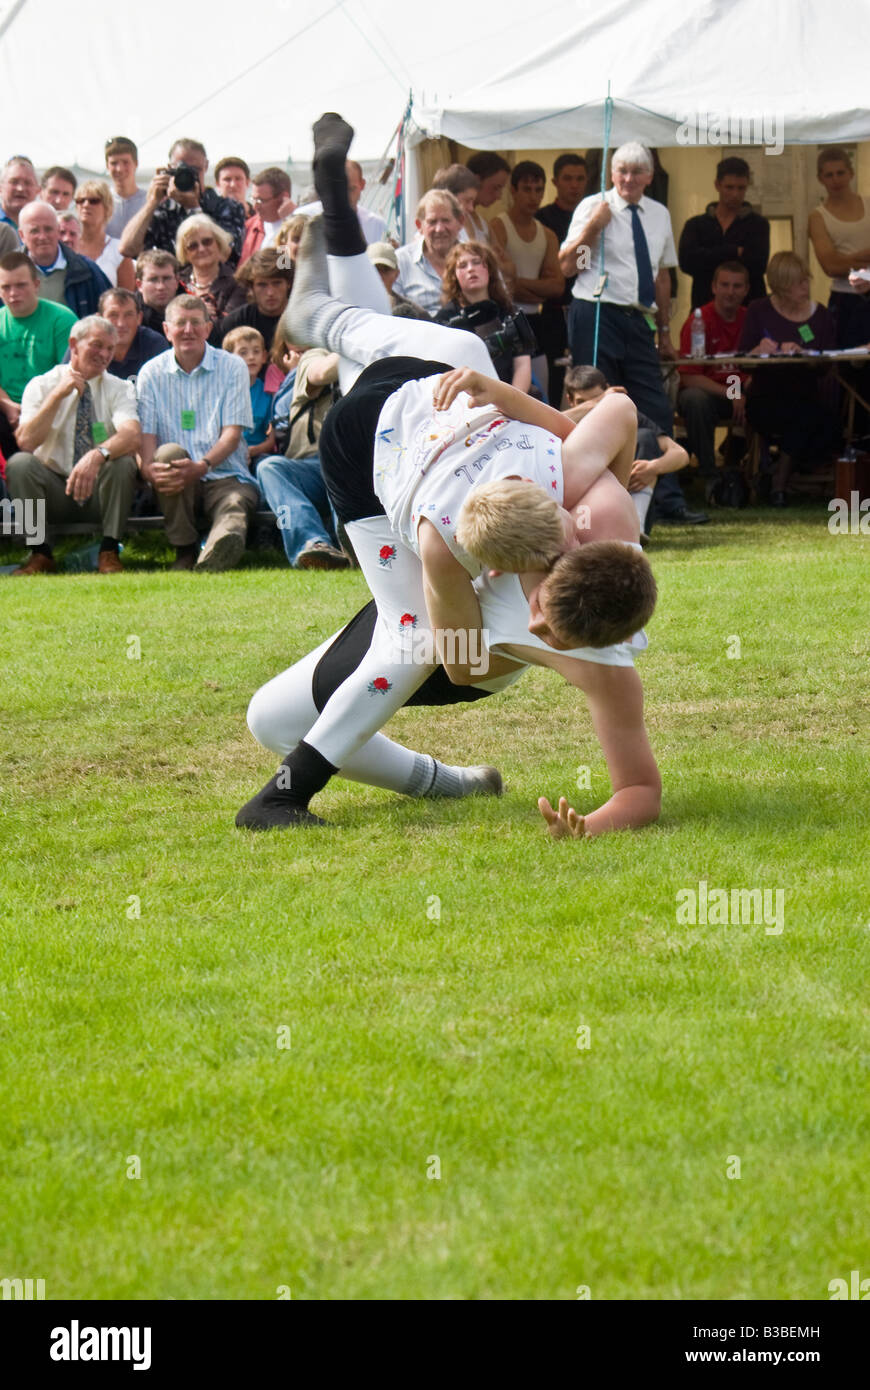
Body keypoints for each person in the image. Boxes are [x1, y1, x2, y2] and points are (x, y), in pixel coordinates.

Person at [236, 115, 659, 835]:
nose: (533, 618)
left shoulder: (601, 651)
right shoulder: (586, 501)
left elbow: (460, 667)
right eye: (541, 599)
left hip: (405, 454)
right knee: (283, 711)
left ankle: (322, 791)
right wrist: (516, 402)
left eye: (543, 629)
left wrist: (588, 826)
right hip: (418, 421)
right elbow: (617, 411)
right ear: (568, 548)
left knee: (331, 684)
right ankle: (427, 783)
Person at [558, 140, 707, 526]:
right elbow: (566, 267)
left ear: (649, 177)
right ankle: (594, 498)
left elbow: (661, 274)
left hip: (638, 318)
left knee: (654, 405)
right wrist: (593, 227)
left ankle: (666, 497)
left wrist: (664, 330)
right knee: (596, 402)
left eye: (636, 172)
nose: (628, 178)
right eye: (621, 170)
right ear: (611, 173)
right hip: (596, 311)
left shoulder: (658, 213)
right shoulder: (594, 206)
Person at [6, 314, 141, 574]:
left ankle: (110, 551)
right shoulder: (42, 385)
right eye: (97, 345)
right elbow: (25, 442)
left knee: (122, 462)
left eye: (110, 349)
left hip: (99, 492)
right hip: (54, 491)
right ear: (73, 344)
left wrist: (96, 456)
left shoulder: (120, 388)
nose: (104, 354)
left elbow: (132, 434)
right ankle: (40, 553)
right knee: (19, 464)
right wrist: (58, 394)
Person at [136, 294, 257, 571]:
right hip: (177, 476)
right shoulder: (150, 373)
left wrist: (201, 466)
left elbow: (232, 434)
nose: (188, 330)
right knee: (165, 456)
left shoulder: (232, 366)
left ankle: (217, 551)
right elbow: (146, 436)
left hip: (225, 472)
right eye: (180, 323)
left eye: (195, 322)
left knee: (235, 503)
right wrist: (148, 470)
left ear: (208, 328)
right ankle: (185, 550)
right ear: (166, 330)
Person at [737, 251, 839, 506]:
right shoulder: (759, 310)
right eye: (798, 282)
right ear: (781, 286)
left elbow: (829, 363)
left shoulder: (821, 315)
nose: (805, 287)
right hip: (766, 396)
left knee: (807, 414)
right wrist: (758, 351)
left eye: (806, 280)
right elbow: (740, 361)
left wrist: (806, 354)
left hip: (808, 395)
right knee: (794, 415)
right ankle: (778, 482)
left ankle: (778, 481)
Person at [254, 334, 349, 571]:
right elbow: (321, 373)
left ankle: (351, 544)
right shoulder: (312, 357)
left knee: (341, 463)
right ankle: (314, 544)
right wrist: (361, 345)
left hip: (351, 465)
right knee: (269, 467)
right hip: (310, 468)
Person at [564, 365, 688, 537]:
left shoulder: (624, 414)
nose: (591, 408)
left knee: (645, 438)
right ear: (569, 399)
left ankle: (636, 526)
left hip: (626, 499)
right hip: (583, 508)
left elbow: (680, 454)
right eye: (581, 402)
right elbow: (547, 421)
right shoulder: (559, 419)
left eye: (597, 400)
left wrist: (653, 467)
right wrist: (597, 403)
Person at [677, 260, 751, 501]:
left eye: (737, 286)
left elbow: (760, 367)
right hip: (711, 393)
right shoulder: (698, 321)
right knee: (694, 399)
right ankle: (710, 475)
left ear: (747, 289)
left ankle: (758, 474)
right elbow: (689, 377)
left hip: (743, 392)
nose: (731, 292)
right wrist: (732, 393)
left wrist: (744, 390)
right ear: (713, 287)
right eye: (725, 285)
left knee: (770, 394)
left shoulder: (751, 319)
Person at [490, 161, 564, 398]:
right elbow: (498, 284)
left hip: (537, 321)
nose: (533, 197)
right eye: (527, 189)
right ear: (513, 190)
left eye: (539, 190)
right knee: (510, 392)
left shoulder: (547, 234)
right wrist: (538, 289)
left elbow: (557, 286)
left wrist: (516, 284)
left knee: (541, 393)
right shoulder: (498, 226)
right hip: (506, 318)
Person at [118, 137, 246, 268]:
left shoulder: (228, 207)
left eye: (195, 170)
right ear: (170, 168)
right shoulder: (163, 211)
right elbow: (127, 249)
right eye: (181, 171)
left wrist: (194, 208)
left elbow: (226, 256)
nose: (188, 176)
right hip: (172, 287)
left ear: (206, 166)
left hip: (216, 286)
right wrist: (152, 202)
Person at [0, 252, 78, 460]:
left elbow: (70, 375)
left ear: (36, 285)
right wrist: (7, 404)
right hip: (7, 408)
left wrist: (35, 411)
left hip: (51, 405)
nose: (13, 293)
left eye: (21, 285)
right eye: (6, 287)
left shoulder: (62, 319)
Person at [435, 240, 536, 391]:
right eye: (462, 265)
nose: (470, 269)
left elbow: (522, 364)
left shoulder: (510, 311)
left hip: (507, 395)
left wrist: (512, 404)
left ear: (489, 269)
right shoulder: (445, 318)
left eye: (476, 262)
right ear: (454, 275)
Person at [678, 156, 770, 309]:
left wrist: (708, 255)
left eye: (741, 188)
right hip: (705, 308)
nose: (735, 194)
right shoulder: (696, 225)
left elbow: (757, 265)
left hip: (747, 312)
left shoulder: (758, 225)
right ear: (717, 185)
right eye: (729, 187)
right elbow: (687, 262)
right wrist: (734, 251)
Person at [536, 154, 588, 405]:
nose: (574, 185)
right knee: (554, 379)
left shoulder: (592, 218)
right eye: (568, 178)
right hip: (552, 311)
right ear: (556, 181)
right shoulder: (542, 219)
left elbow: (585, 264)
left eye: (579, 179)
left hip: (584, 308)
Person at [808, 145, 870, 348]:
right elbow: (831, 267)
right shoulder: (818, 217)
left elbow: (837, 262)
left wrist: (845, 260)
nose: (835, 180)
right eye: (829, 175)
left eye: (840, 173)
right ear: (820, 179)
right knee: (848, 364)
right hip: (845, 299)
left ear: (851, 173)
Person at [18, 201, 111, 317]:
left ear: (57, 230)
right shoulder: (7, 272)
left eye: (48, 229)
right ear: (22, 235)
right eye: (34, 231)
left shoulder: (87, 271)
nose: (42, 237)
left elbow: (109, 314)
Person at [394, 190, 464, 316]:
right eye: (432, 222)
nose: (439, 229)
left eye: (446, 220)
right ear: (419, 225)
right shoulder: (400, 262)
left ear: (460, 222)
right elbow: (392, 313)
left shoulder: (476, 258)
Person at [214, 247, 293, 349]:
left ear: (288, 284)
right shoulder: (235, 322)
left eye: (277, 283)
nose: (270, 292)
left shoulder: (305, 318)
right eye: (262, 285)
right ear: (251, 287)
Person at [176, 215, 247, 327]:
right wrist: (199, 311)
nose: (201, 249)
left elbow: (227, 326)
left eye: (207, 242)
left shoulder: (237, 282)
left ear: (218, 244)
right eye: (193, 246)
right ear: (185, 253)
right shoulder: (177, 281)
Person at [295, 160, 386, 245]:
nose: (344, 197)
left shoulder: (376, 225)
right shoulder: (301, 217)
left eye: (351, 189)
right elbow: (282, 257)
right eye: (338, 189)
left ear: (362, 185)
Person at [221, 325, 275, 467]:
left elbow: (271, 440)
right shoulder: (221, 391)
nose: (251, 357)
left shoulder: (268, 393)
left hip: (256, 454)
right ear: (228, 359)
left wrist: (253, 450)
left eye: (256, 352)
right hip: (224, 454)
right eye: (243, 353)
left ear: (264, 357)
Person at [73, 180, 135, 290]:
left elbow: (127, 296)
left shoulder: (119, 250)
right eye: (80, 201)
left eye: (94, 201)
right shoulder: (67, 245)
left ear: (107, 207)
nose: (86, 205)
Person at [98, 287, 169, 379]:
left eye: (128, 315)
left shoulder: (154, 344)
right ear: (100, 319)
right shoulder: (90, 347)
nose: (121, 324)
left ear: (139, 318)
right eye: (113, 315)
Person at [239, 168, 294, 263]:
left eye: (261, 201)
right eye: (253, 199)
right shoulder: (250, 227)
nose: (255, 206)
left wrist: (288, 222)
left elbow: (284, 266)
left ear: (283, 198)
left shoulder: (296, 230)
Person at [104, 137, 148, 239]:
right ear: (107, 166)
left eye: (125, 162)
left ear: (136, 163)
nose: (119, 169)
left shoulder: (149, 201)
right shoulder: (101, 201)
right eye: (114, 163)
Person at [135, 249, 181, 333]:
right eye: (153, 280)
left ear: (177, 282)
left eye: (167, 278)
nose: (161, 287)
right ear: (139, 285)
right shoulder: (130, 315)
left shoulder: (190, 311)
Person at [0, 157, 39, 230]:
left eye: (27, 183)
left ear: (38, 190)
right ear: (1, 188)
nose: (20, 188)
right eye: (14, 182)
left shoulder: (46, 227)